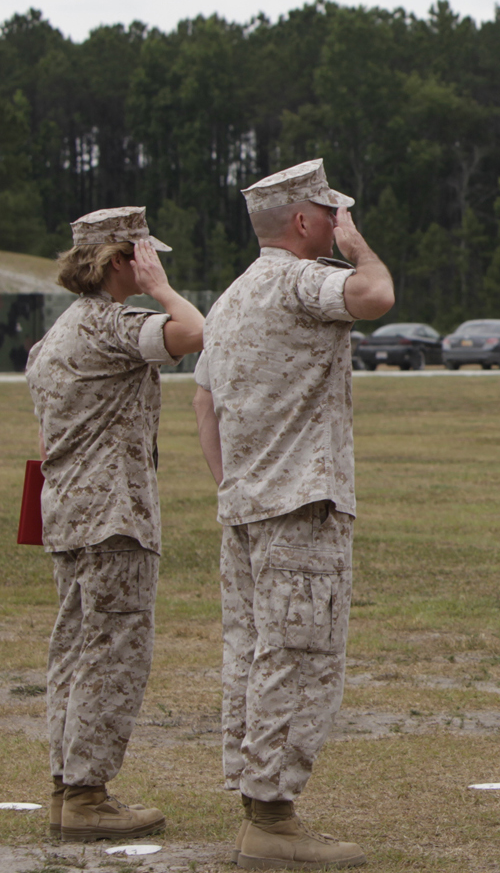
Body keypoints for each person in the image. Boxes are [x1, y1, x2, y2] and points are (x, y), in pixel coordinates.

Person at [193, 159, 393, 870]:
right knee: (299, 656)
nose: (339, 225)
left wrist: (236, 485)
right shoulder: (301, 281)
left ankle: (259, 808)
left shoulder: (228, 299)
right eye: (330, 214)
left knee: (253, 652)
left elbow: (203, 404)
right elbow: (375, 293)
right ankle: (273, 821)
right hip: (301, 504)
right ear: (306, 221)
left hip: (247, 504)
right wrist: (360, 244)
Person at [25, 209, 204, 842]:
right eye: (147, 256)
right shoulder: (112, 326)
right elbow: (197, 332)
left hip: (67, 512)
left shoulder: (53, 336)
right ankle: (88, 795)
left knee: (73, 649)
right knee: (113, 651)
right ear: (121, 261)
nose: (157, 264)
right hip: (114, 518)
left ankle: (66, 785)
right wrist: (158, 289)